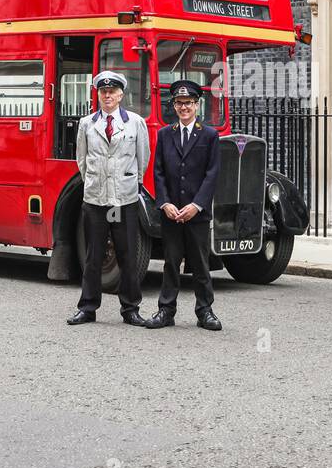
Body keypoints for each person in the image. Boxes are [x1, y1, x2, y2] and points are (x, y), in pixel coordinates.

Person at [67, 71, 151, 327]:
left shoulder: (136, 122)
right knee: (93, 255)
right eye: (103, 92)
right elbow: (82, 160)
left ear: (121, 94)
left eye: (112, 92)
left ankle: (130, 309)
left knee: (127, 256)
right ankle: (88, 307)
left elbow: (142, 158)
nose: (107, 96)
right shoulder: (86, 123)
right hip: (95, 198)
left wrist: (126, 181)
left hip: (123, 199)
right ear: (98, 95)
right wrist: (95, 180)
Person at [147, 80, 222, 331]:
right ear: (174, 106)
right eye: (179, 103)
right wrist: (165, 203)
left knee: (200, 263)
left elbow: (212, 175)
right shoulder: (164, 134)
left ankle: (205, 311)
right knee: (171, 262)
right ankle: (166, 310)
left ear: (197, 105)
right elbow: (158, 173)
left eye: (188, 103)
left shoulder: (209, 135)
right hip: (171, 212)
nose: (184, 107)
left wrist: (196, 206)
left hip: (196, 214)